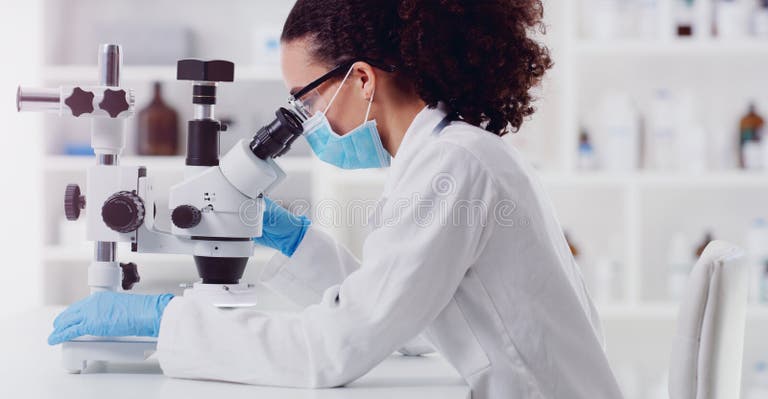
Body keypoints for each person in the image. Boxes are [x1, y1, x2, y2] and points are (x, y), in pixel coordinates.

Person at [48, 1, 624, 397]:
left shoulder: (453, 168)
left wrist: (164, 318)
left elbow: (326, 351)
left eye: (304, 98)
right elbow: (414, 320)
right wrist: (295, 244)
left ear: (363, 81)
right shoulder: (456, 153)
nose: (303, 121)